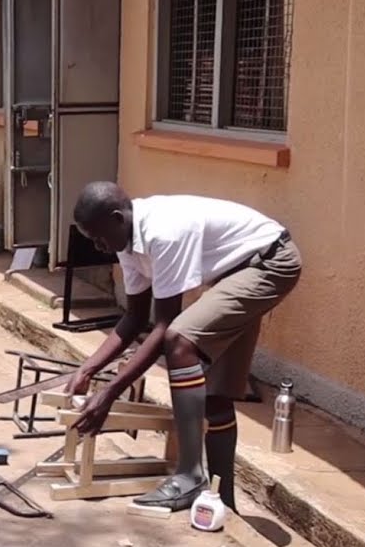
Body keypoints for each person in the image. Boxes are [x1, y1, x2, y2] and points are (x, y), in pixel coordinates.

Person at [64, 182, 302, 512]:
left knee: (180, 341)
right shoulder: (126, 241)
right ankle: (220, 495)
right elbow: (134, 318)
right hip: (237, 272)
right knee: (215, 393)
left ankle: (189, 477)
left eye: (99, 237)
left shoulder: (163, 232)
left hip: (270, 264)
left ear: (118, 218)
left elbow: (163, 329)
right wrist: (88, 369)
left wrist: (110, 393)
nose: (99, 247)